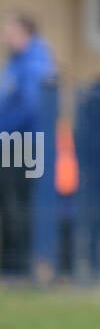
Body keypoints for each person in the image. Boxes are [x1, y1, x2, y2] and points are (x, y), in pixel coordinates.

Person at [0, 14, 56, 276]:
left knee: (16, 205)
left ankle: (18, 266)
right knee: (10, 204)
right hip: (11, 141)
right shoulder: (17, 63)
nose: (5, 36)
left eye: (9, 30)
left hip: (20, 144)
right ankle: (11, 263)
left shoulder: (34, 64)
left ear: (25, 32)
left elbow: (30, 106)